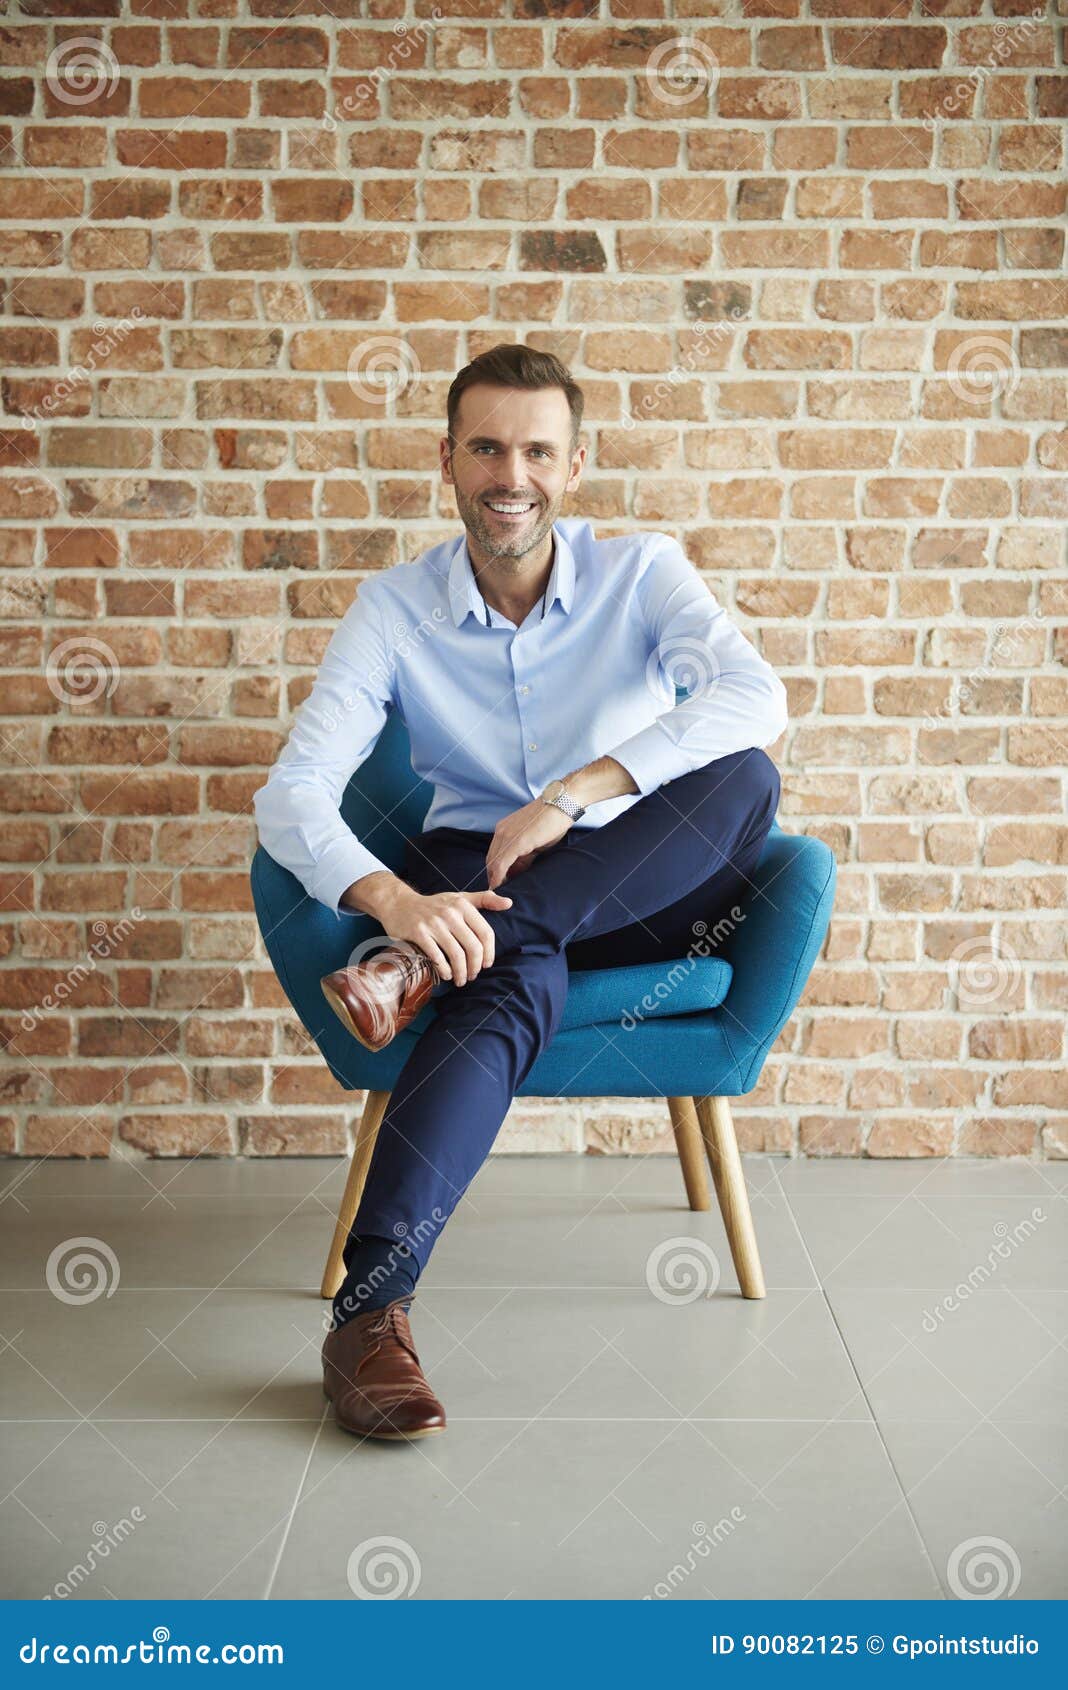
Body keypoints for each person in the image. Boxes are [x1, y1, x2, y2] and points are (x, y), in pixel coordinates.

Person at [253, 343, 787, 1442]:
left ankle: (421, 968)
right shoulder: (394, 608)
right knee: (502, 967)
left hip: (637, 880)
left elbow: (755, 696)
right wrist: (395, 906)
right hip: (471, 883)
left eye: (539, 451)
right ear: (448, 459)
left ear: (575, 465)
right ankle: (369, 1317)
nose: (513, 476)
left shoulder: (643, 574)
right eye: (488, 448)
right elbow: (292, 792)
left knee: (745, 776)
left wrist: (571, 795)